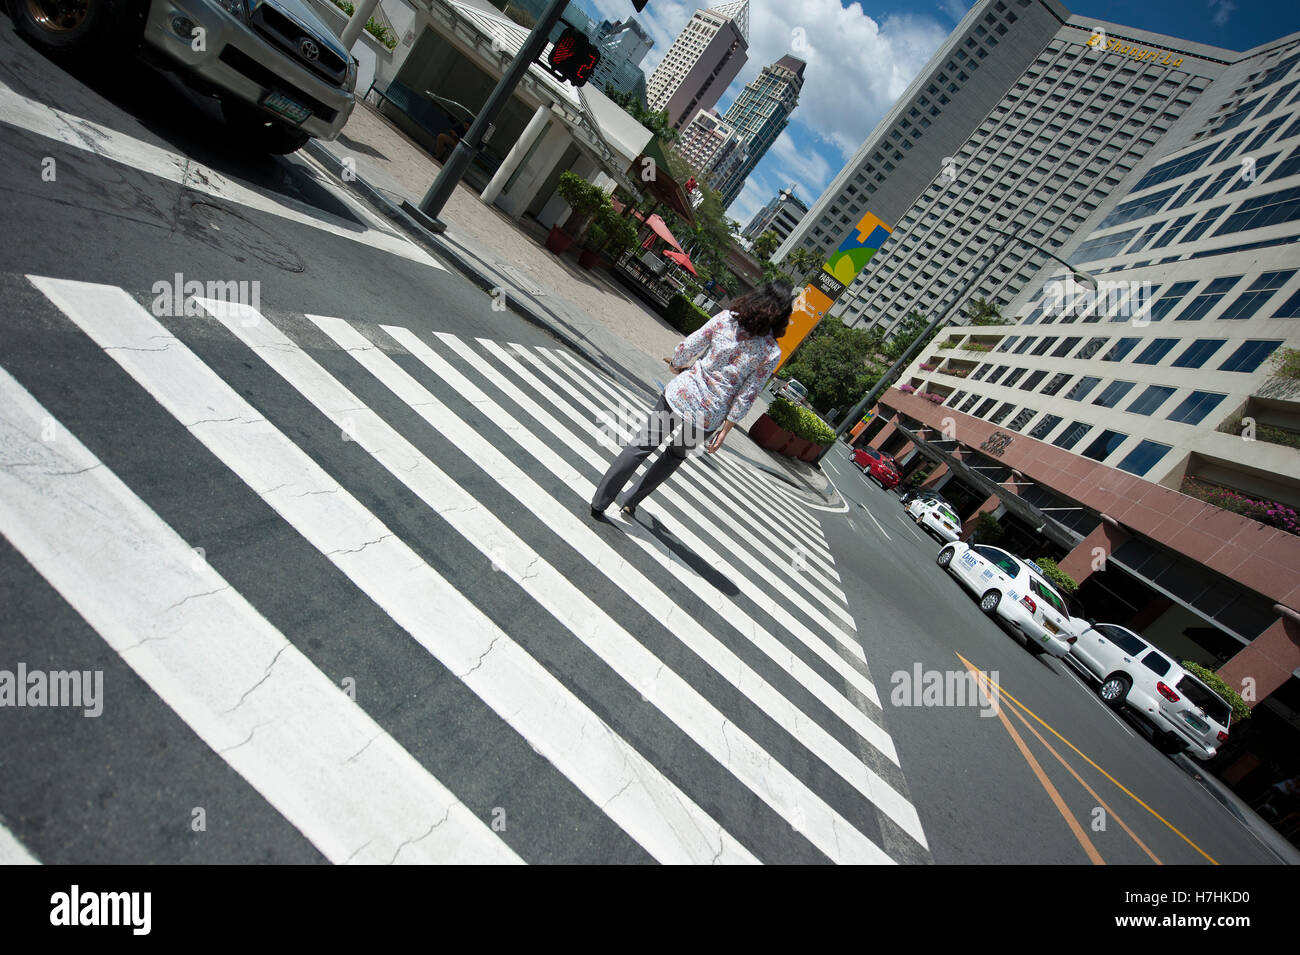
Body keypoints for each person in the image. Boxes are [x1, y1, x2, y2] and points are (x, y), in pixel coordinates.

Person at [591, 280, 793, 519]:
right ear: (781, 315)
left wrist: (677, 364)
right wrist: (727, 429)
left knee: (642, 444)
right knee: (673, 456)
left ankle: (600, 501)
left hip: (681, 395)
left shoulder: (727, 319)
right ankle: (630, 501)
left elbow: (690, 345)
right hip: (706, 417)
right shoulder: (770, 352)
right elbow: (747, 394)